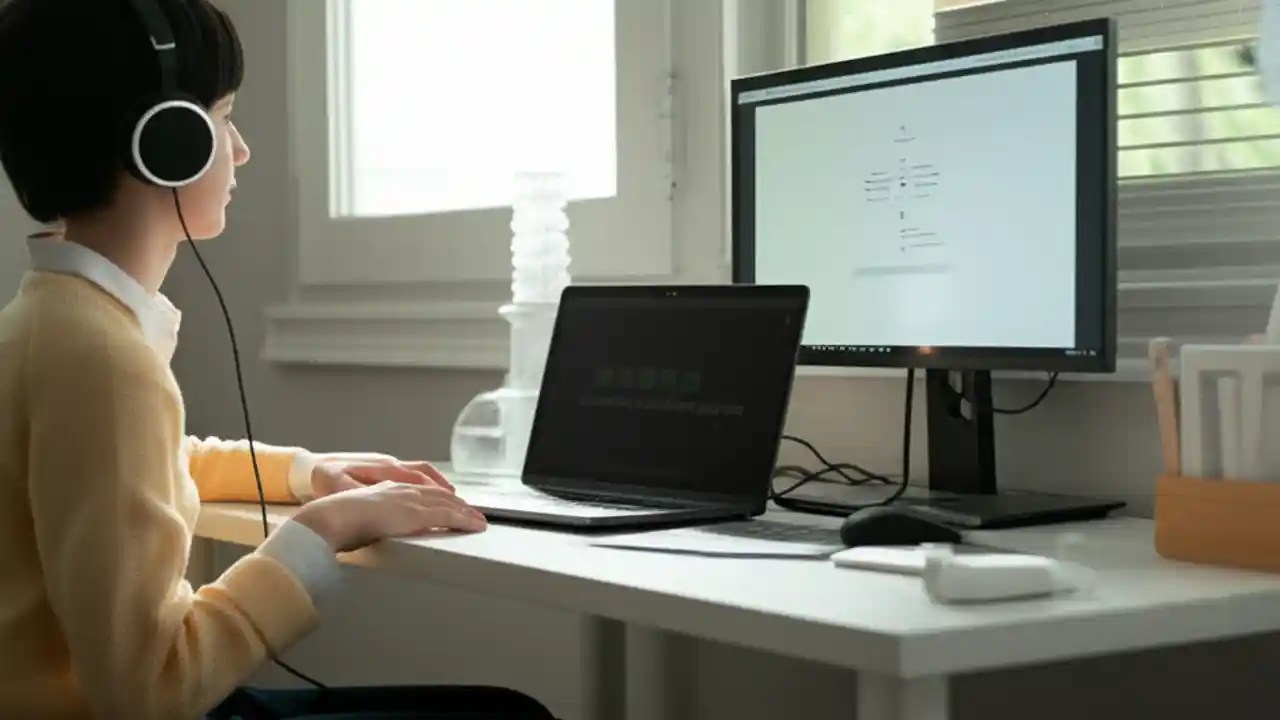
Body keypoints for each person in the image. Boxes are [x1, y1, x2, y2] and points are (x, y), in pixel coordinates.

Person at [0, 1, 557, 718]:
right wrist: (322, 532)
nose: (241, 151)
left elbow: (140, 467)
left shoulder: (43, 325)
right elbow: (148, 691)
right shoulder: (101, 362)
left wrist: (306, 474)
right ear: (167, 142)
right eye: (224, 117)